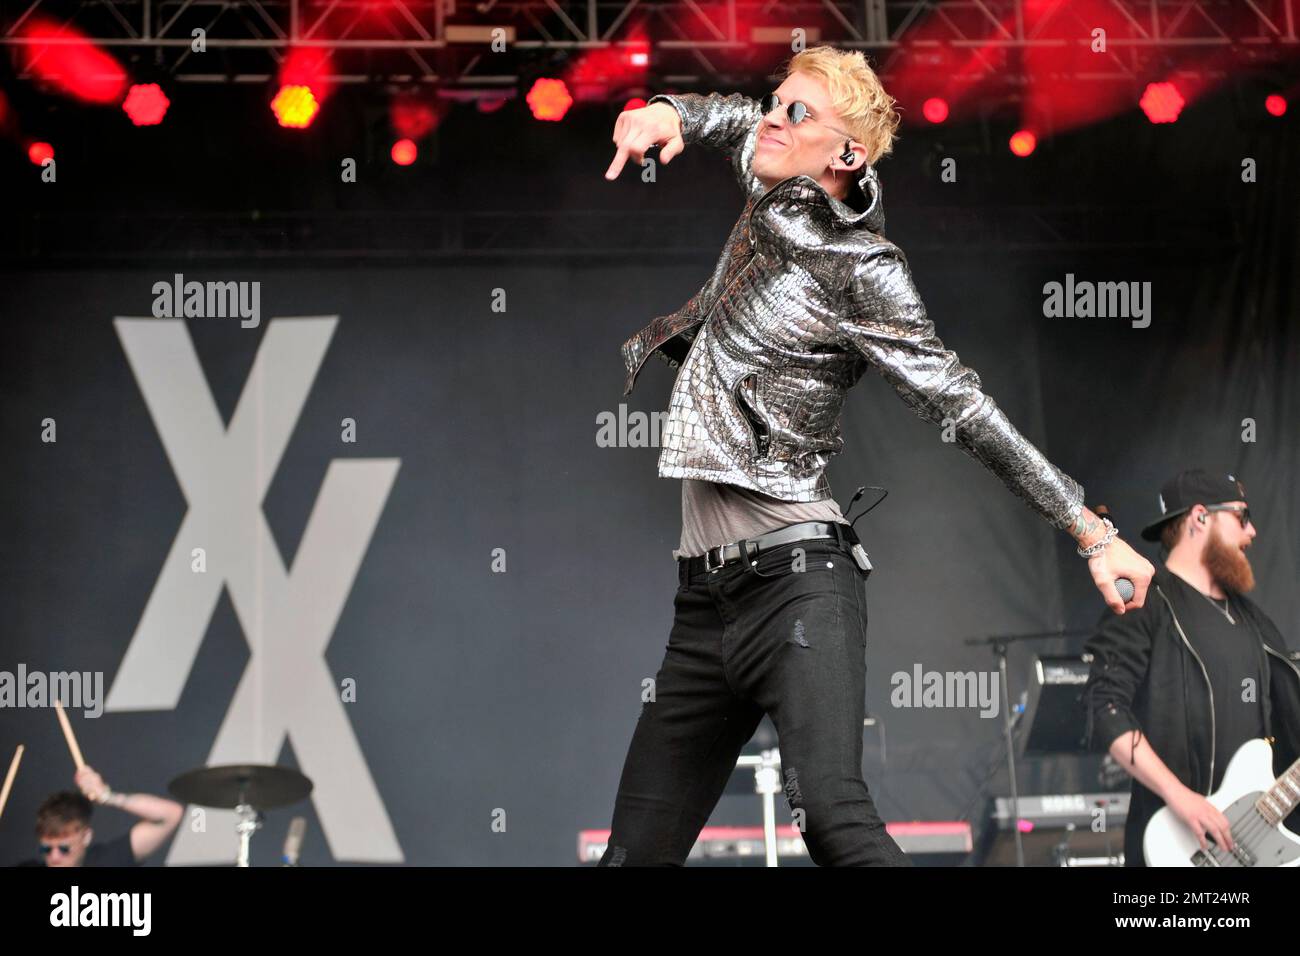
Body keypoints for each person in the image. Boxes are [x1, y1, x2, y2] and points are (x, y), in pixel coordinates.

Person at [599, 45, 1154, 866]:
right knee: (632, 857)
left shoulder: (864, 266)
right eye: (774, 102)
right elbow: (727, 119)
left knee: (832, 817)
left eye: (797, 113)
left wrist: (1090, 530)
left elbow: (960, 405)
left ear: (848, 153)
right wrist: (666, 113)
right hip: (703, 607)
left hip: (796, 590)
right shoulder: (774, 187)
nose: (771, 121)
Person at [1085, 469, 1300, 865]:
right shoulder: (1145, 604)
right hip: (1174, 845)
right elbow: (1105, 708)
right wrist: (1180, 797)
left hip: (1257, 846)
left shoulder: (1257, 624)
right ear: (1200, 517)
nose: (1251, 532)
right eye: (1242, 516)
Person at [17, 765, 183, 867]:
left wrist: (106, 796)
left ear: (86, 837)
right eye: (46, 849)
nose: (54, 857)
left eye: (64, 848)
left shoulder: (107, 861)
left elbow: (170, 815)